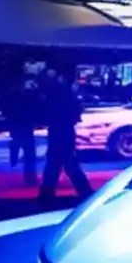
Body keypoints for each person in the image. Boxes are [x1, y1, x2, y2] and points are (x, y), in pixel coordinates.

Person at [37, 70, 93, 201]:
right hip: (64, 130)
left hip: (60, 130)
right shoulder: (64, 93)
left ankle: (48, 193)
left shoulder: (56, 94)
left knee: (60, 162)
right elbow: (76, 114)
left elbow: (49, 114)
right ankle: (83, 192)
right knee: (62, 162)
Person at [5, 74, 40, 185]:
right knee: (30, 152)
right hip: (22, 124)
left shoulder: (14, 94)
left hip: (21, 125)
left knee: (28, 151)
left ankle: (30, 176)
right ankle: (30, 177)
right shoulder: (21, 95)